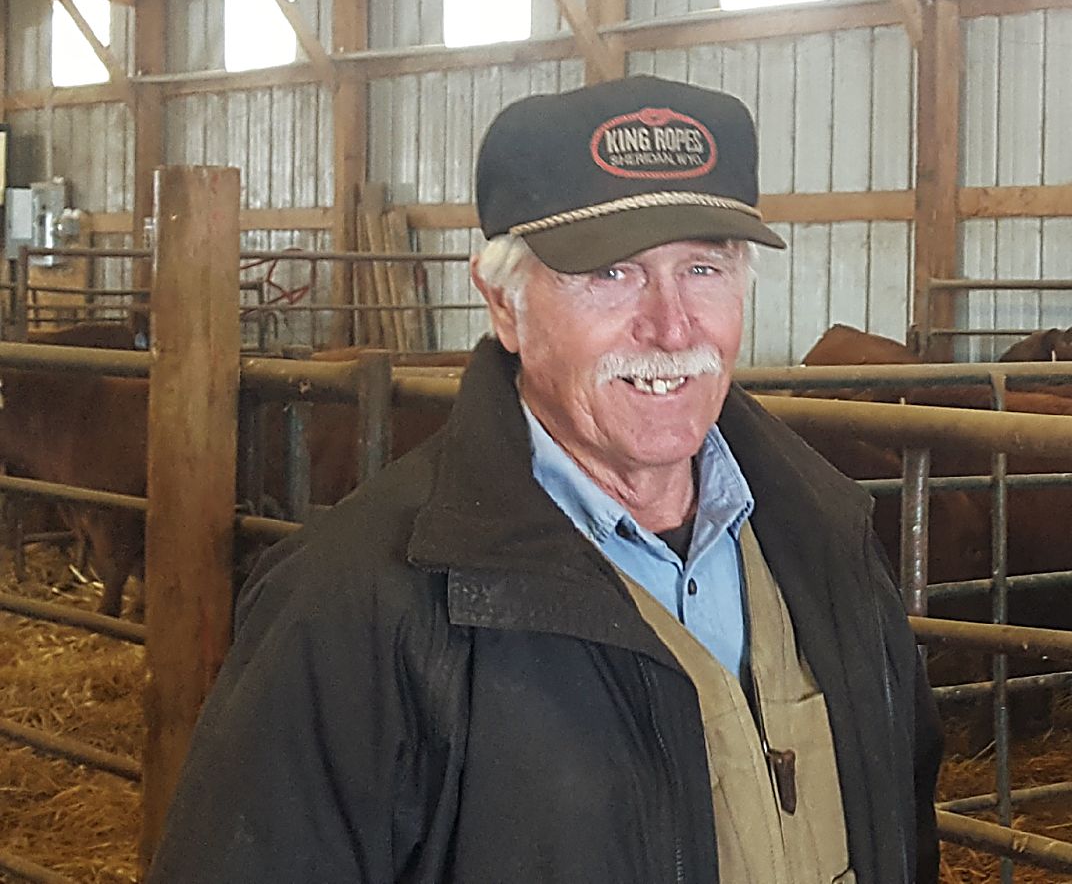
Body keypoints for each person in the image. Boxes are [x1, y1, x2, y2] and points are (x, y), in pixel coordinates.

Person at [150, 75, 941, 884]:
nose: (671, 326)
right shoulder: (355, 609)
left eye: (703, 268)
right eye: (612, 274)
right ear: (503, 303)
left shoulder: (829, 544)